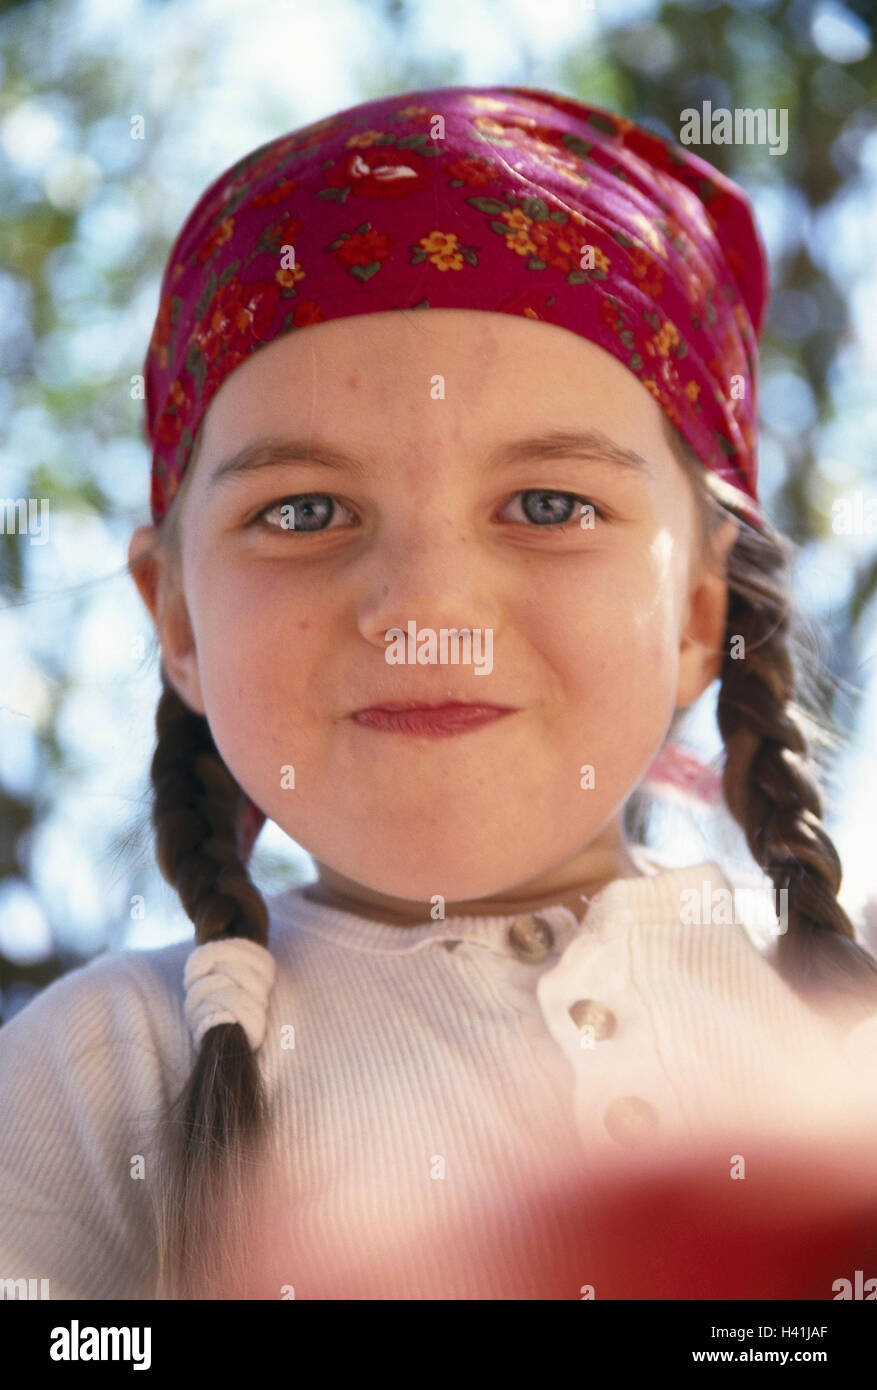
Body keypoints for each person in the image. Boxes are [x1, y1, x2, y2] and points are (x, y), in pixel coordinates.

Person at [2, 84, 877, 1302]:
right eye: (302, 512)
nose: (424, 613)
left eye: (549, 506)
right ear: (180, 620)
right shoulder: (93, 1074)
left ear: (697, 615)